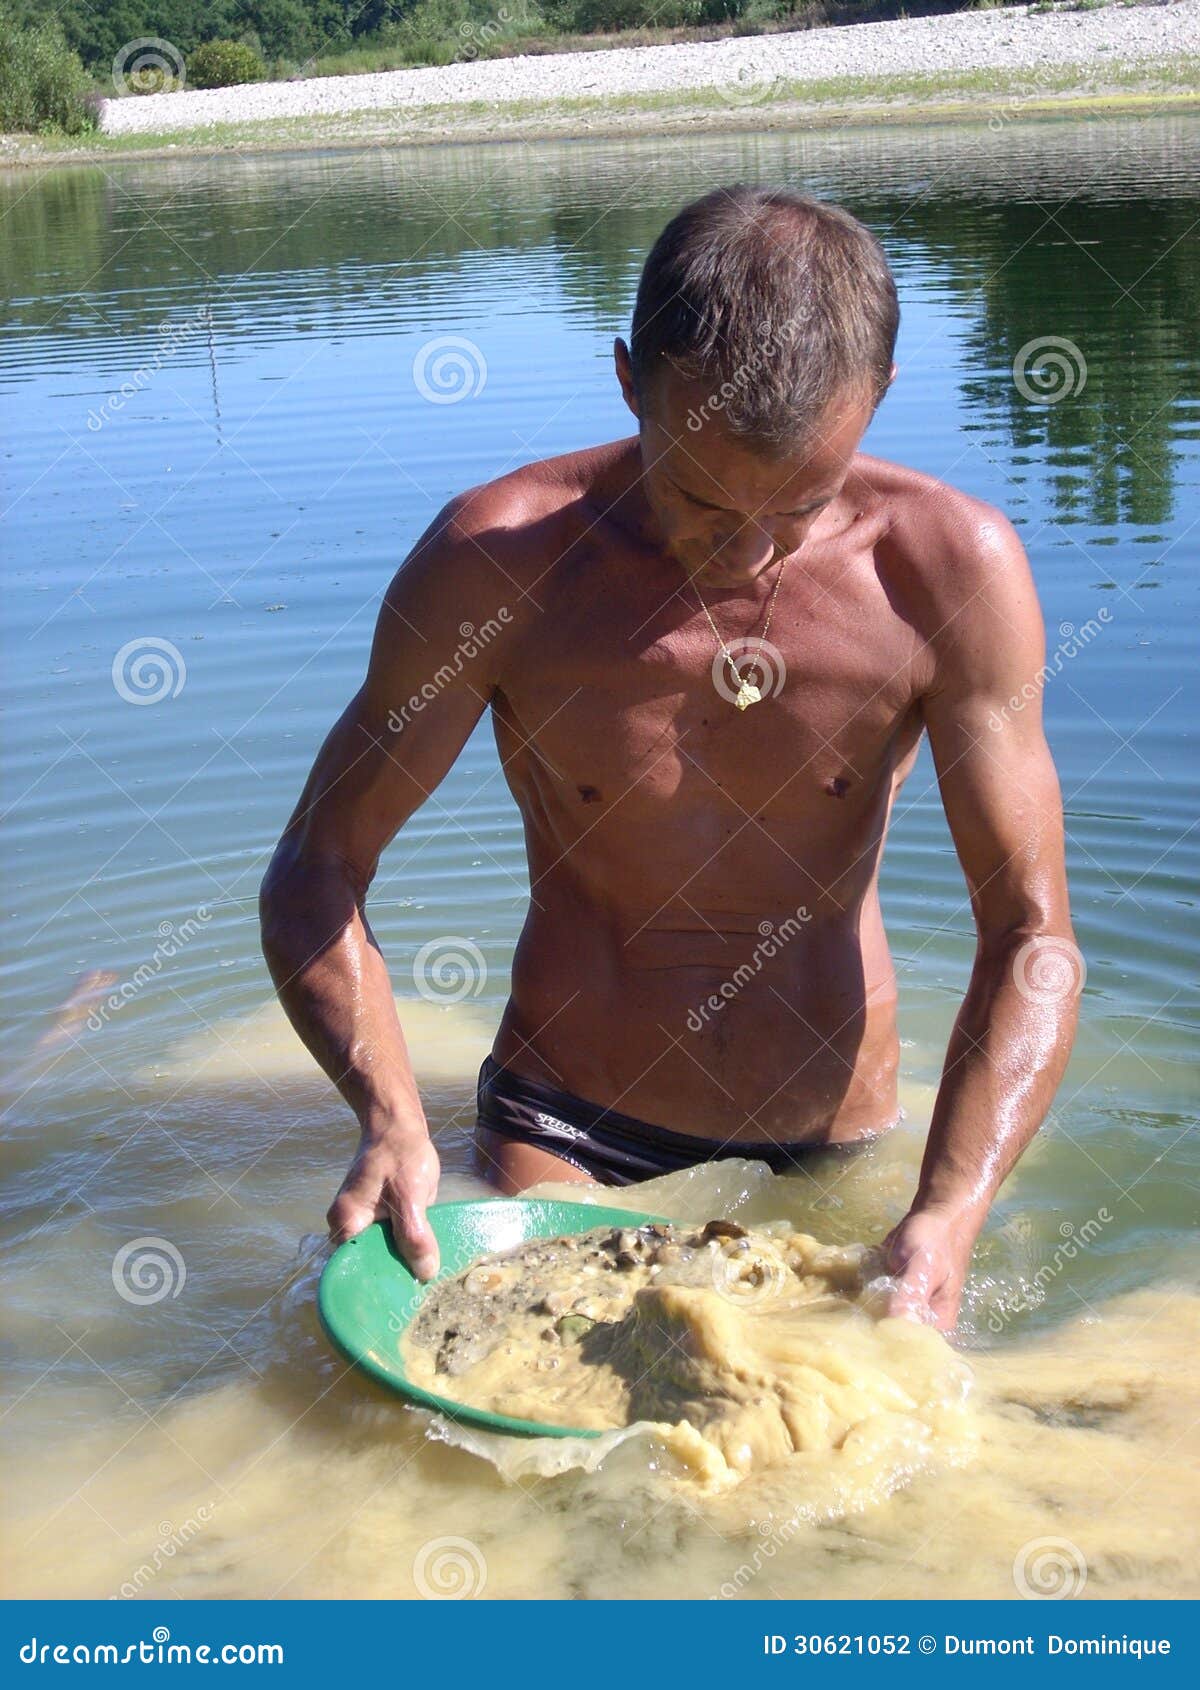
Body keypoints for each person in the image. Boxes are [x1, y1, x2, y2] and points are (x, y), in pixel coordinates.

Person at [260, 184, 1079, 1332]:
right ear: (627, 379)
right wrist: (389, 1114)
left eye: (800, 504)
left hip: (835, 1145)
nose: (744, 550)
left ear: (877, 400)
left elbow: (1034, 933)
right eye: (698, 493)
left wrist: (951, 1204)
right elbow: (318, 864)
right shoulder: (497, 567)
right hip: (567, 1134)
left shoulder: (948, 573)